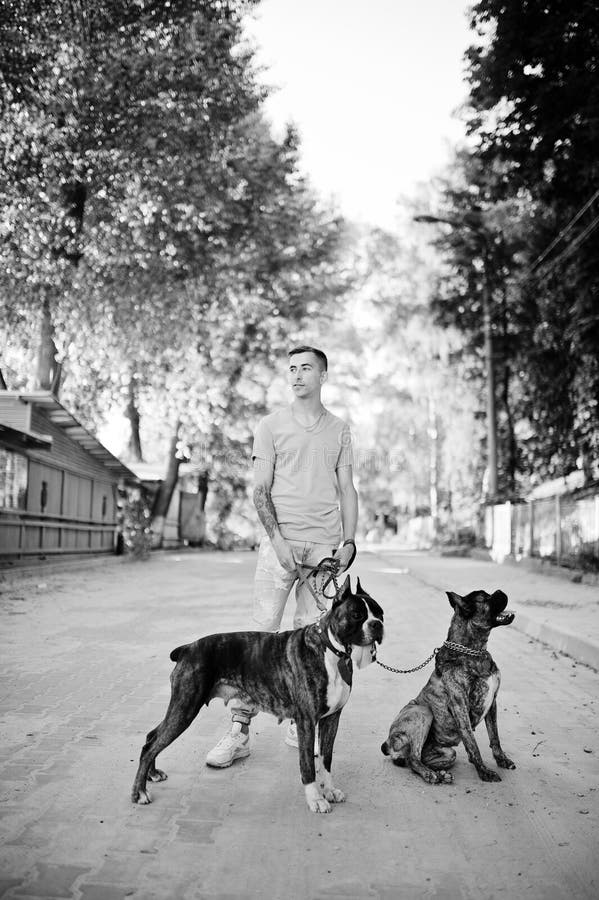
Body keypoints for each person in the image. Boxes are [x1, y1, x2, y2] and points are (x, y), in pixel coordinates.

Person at [205, 345, 358, 767]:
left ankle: (300, 720)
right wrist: (278, 541)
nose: (296, 375)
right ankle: (238, 732)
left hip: (325, 551)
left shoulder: (340, 430)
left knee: (313, 642)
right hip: (279, 550)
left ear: (323, 375)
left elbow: (347, 489)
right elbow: (260, 490)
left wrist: (348, 542)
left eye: (306, 368)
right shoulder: (270, 425)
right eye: (291, 368)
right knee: (259, 640)